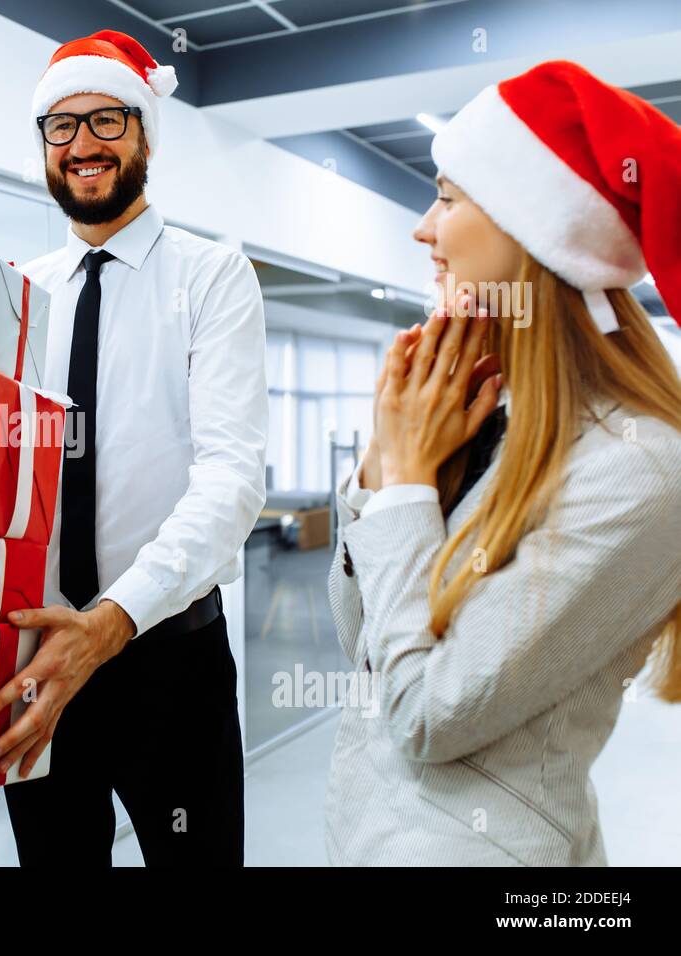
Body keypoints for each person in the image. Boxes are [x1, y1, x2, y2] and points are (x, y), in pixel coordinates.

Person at [326, 60, 681, 866]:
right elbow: (363, 645)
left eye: (447, 196)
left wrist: (410, 484)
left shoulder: (643, 466)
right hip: (370, 837)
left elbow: (425, 718)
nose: (424, 227)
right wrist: (384, 468)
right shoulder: (493, 411)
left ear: (532, 230)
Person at [0, 30, 268, 866]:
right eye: (59, 127)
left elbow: (231, 481)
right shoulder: (19, 294)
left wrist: (111, 623)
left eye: (106, 120)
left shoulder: (212, 276)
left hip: (169, 659)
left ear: (143, 134)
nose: (82, 145)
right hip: (39, 655)